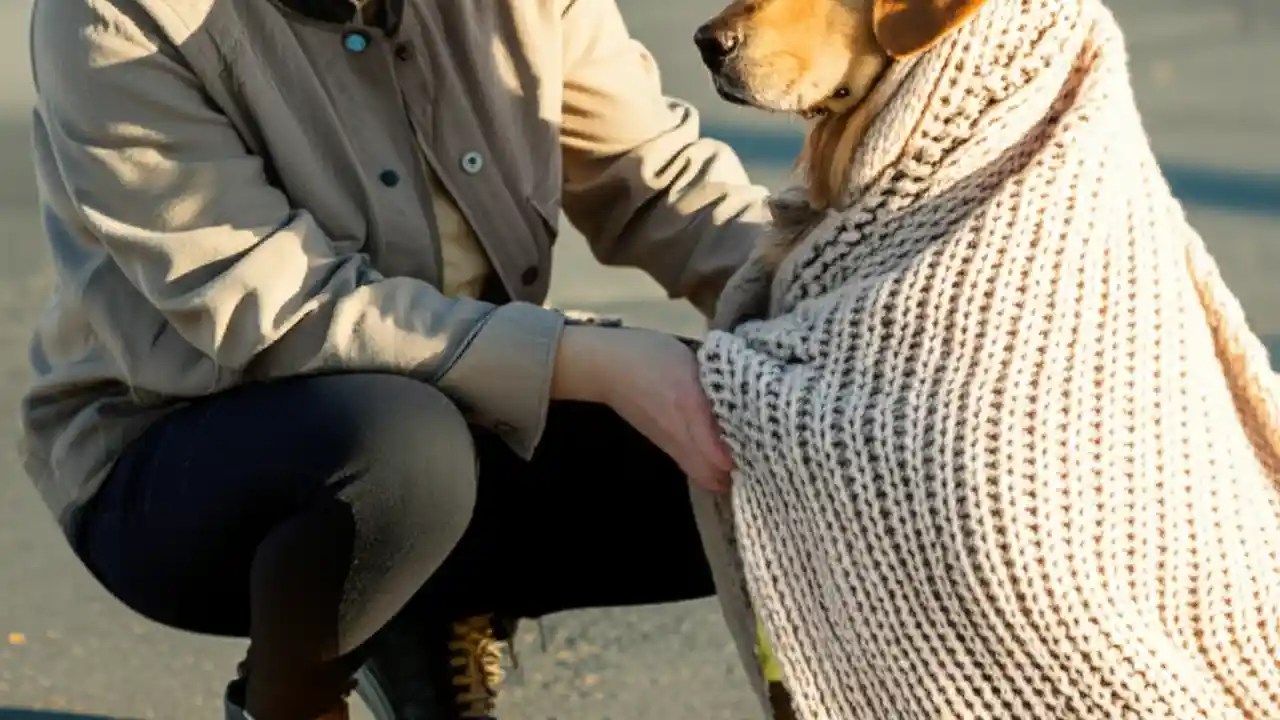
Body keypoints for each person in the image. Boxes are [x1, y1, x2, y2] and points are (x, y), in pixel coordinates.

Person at [20, 0, 771, 717]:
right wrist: (595, 360)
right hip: (182, 456)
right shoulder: (118, 14)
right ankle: (293, 701)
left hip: (461, 413)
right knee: (401, 452)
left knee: (776, 435)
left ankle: (425, 618)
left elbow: (656, 181)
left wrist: (843, 299)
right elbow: (273, 306)